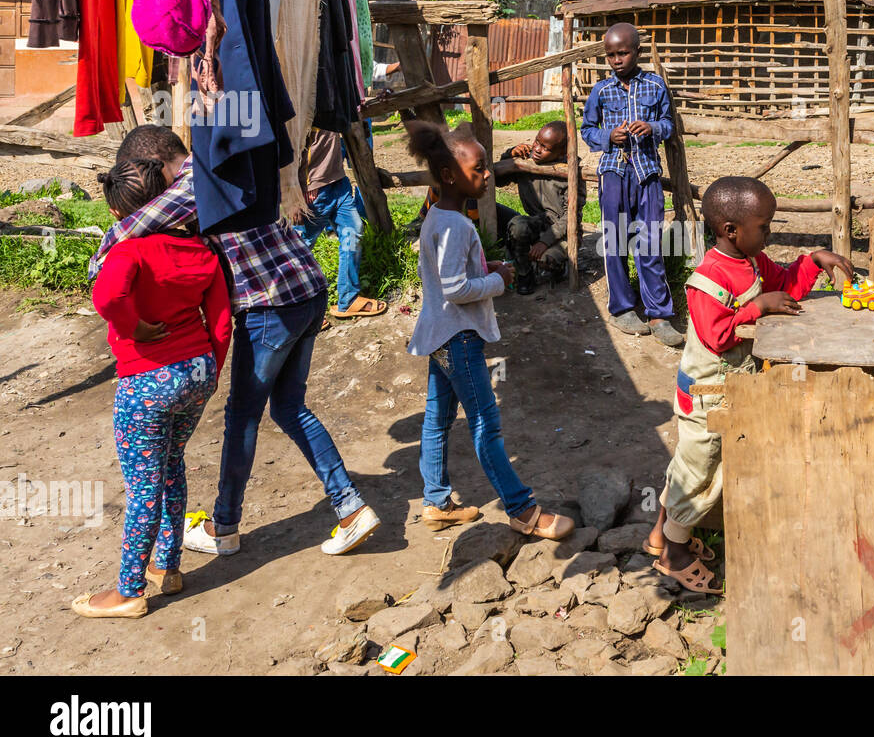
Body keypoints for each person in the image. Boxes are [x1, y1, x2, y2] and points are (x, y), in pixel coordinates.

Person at [88, 126, 381, 558]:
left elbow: (136, 226)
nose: (152, 192)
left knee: (242, 416)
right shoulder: (221, 166)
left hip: (270, 304)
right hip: (308, 290)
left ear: (157, 164)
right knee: (288, 407)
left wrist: (99, 263)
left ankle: (224, 526)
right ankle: (351, 507)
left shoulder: (195, 181)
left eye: (151, 181)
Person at [643, 176, 853, 593]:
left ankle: (659, 534)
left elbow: (784, 286)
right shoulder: (708, 279)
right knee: (701, 469)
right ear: (731, 230)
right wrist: (756, 308)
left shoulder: (751, 263)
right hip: (707, 396)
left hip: (725, 391)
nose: (769, 232)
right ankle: (673, 553)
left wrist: (812, 261)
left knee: (692, 461)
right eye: (765, 225)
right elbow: (717, 335)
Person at [73, 158, 232, 618]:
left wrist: (136, 328)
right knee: (171, 465)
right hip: (197, 373)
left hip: (147, 380)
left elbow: (106, 298)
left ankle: (128, 591)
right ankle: (168, 568)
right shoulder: (201, 248)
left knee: (143, 486)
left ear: (119, 211)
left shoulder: (128, 251)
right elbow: (221, 322)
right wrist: (212, 372)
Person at [406, 119, 575, 540]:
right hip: (458, 338)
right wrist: (498, 282)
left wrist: (489, 266)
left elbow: (452, 276)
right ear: (449, 175)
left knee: (437, 419)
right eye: (479, 169)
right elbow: (456, 287)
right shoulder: (456, 226)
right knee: (485, 423)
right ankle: (522, 510)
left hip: (440, 334)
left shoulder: (438, 218)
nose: (487, 176)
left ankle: (437, 501)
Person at [581, 22, 684, 347]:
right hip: (613, 174)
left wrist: (651, 127)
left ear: (637, 51)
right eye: (610, 55)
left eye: (622, 53)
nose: (616, 60)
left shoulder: (655, 85)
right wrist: (607, 137)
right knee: (615, 241)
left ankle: (658, 313)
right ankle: (622, 309)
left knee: (650, 241)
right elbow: (587, 130)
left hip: (647, 174)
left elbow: (669, 124)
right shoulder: (601, 91)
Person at [293, 126, 387, 327]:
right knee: (298, 247)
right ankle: (292, 310)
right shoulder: (302, 101)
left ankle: (348, 298)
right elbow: (291, 146)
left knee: (353, 232)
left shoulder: (327, 96)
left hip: (338, 182)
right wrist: (302, 185)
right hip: (315, 190)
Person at [499, 119, 586, 294]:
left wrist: (544, 242)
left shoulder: (570, 172)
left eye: (546, 148)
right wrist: (509, 155)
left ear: (562, 153)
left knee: (547, 260)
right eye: (537, 142)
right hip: (536, 223)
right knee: (518, 226)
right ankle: (525, 274)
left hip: (562, 231)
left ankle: (558, 267)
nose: (537, 149)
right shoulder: (526, 161)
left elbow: (571, 217)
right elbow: (499, 180)